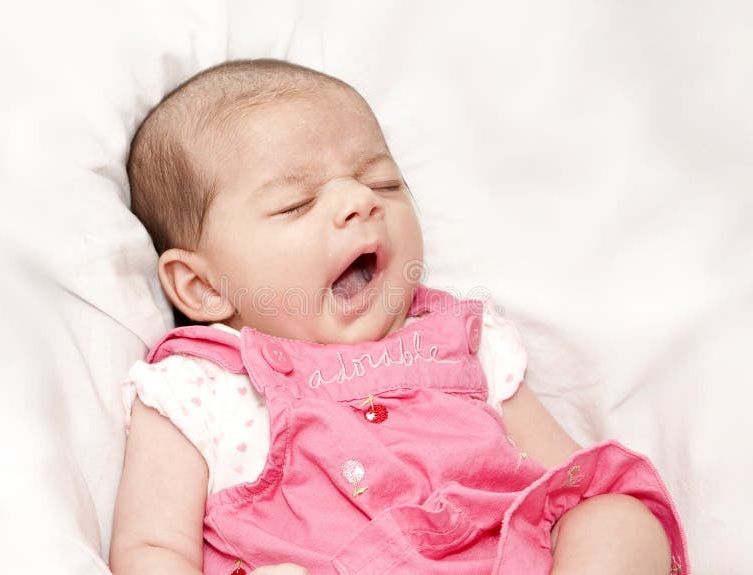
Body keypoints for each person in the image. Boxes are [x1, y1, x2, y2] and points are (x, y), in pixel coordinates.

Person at [109, 59, 688, 575]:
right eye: (297, 204)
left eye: (381, 182)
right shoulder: (198, 387)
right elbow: (152, 548)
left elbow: (564, 484)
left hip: (509, 557)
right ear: (204, 286)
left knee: (617, 515)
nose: (359, 202)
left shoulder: (466, 341)